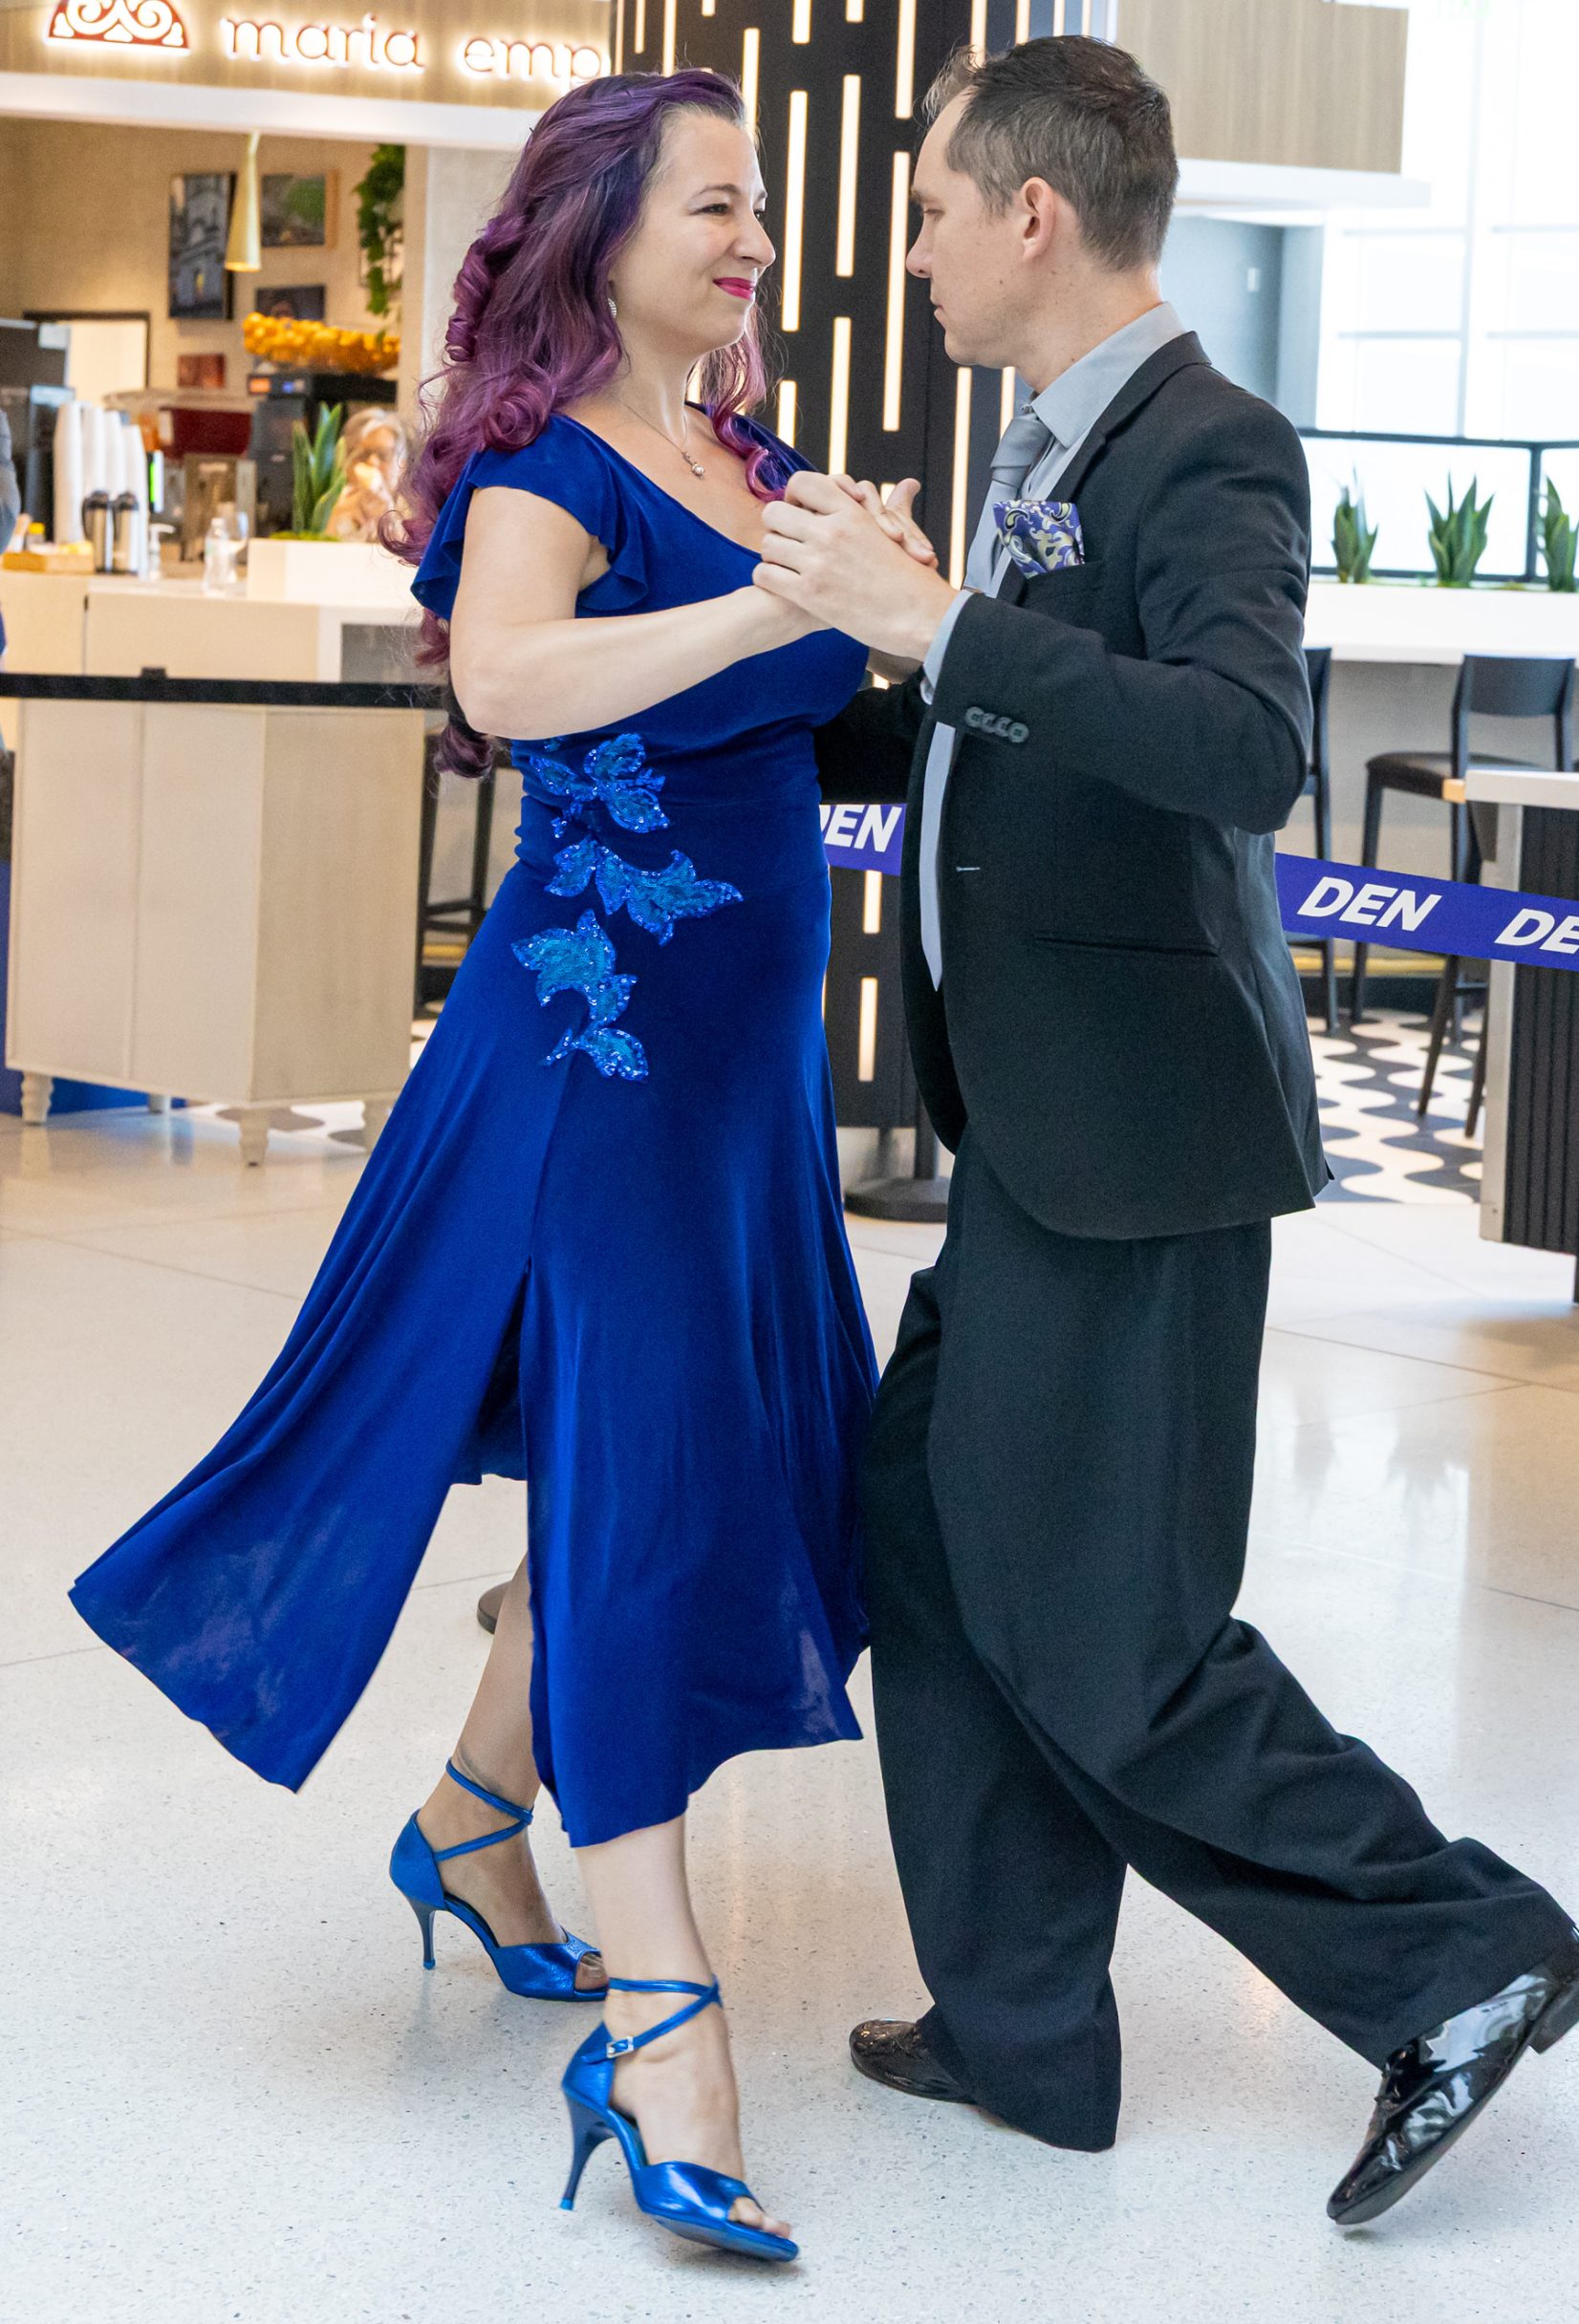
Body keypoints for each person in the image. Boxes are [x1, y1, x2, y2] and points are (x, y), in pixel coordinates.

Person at [751, 36, 1579, 2228]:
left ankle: (1455, 1956)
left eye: (930, 211)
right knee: (926, 1535)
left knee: (1113, 1635)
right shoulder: (1045, 448)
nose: (914, 252)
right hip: (1042, 1128)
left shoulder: (1209, 444)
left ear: (1030, 215)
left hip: (1136, 1139)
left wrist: (939, 626)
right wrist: (864, 647)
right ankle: (1019, 2020)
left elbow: (1235, 746)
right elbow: (1008, 739)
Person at [69, 70, 912, 2265]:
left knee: (662, 1468)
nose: (750, 240)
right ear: (600, 229)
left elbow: (853, 684)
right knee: (643, 1501)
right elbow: (519, 679)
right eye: (712, 204)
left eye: (755, 207)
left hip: (735, 1073)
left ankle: (465, 1823)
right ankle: (664, 2024)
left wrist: (888, 587)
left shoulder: (756, 464)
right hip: (593, 1061)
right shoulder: (550, 473)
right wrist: (768, 611)